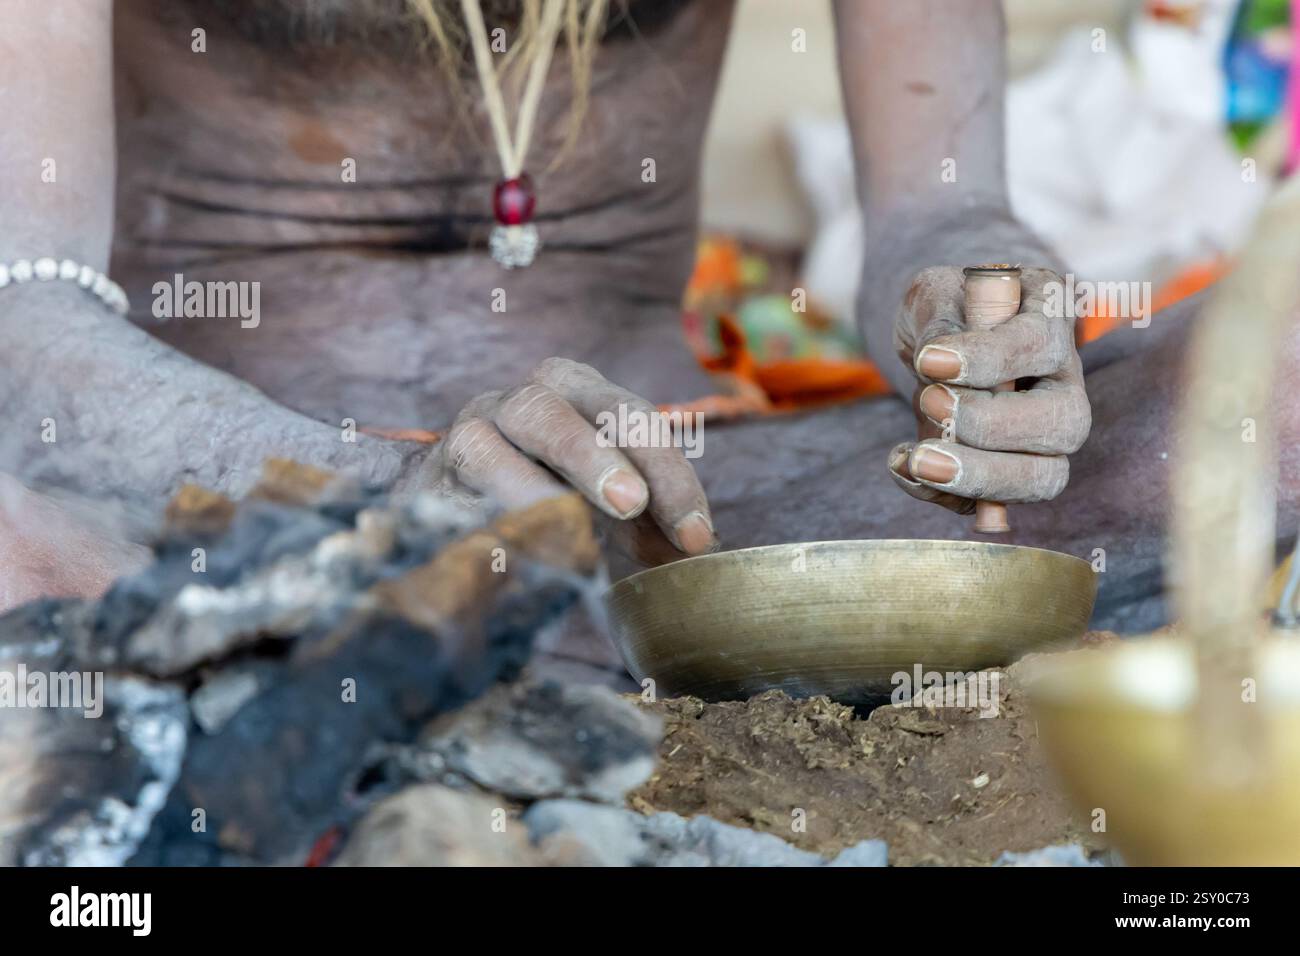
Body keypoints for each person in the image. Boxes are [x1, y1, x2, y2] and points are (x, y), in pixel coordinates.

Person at [0, 0, 1295, 633]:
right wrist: (374, 509)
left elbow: (943, 208)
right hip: (203, 516)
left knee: (1276, 384)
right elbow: (24, 308)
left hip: (692, 523)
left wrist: (979, 309)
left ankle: (604, 643)